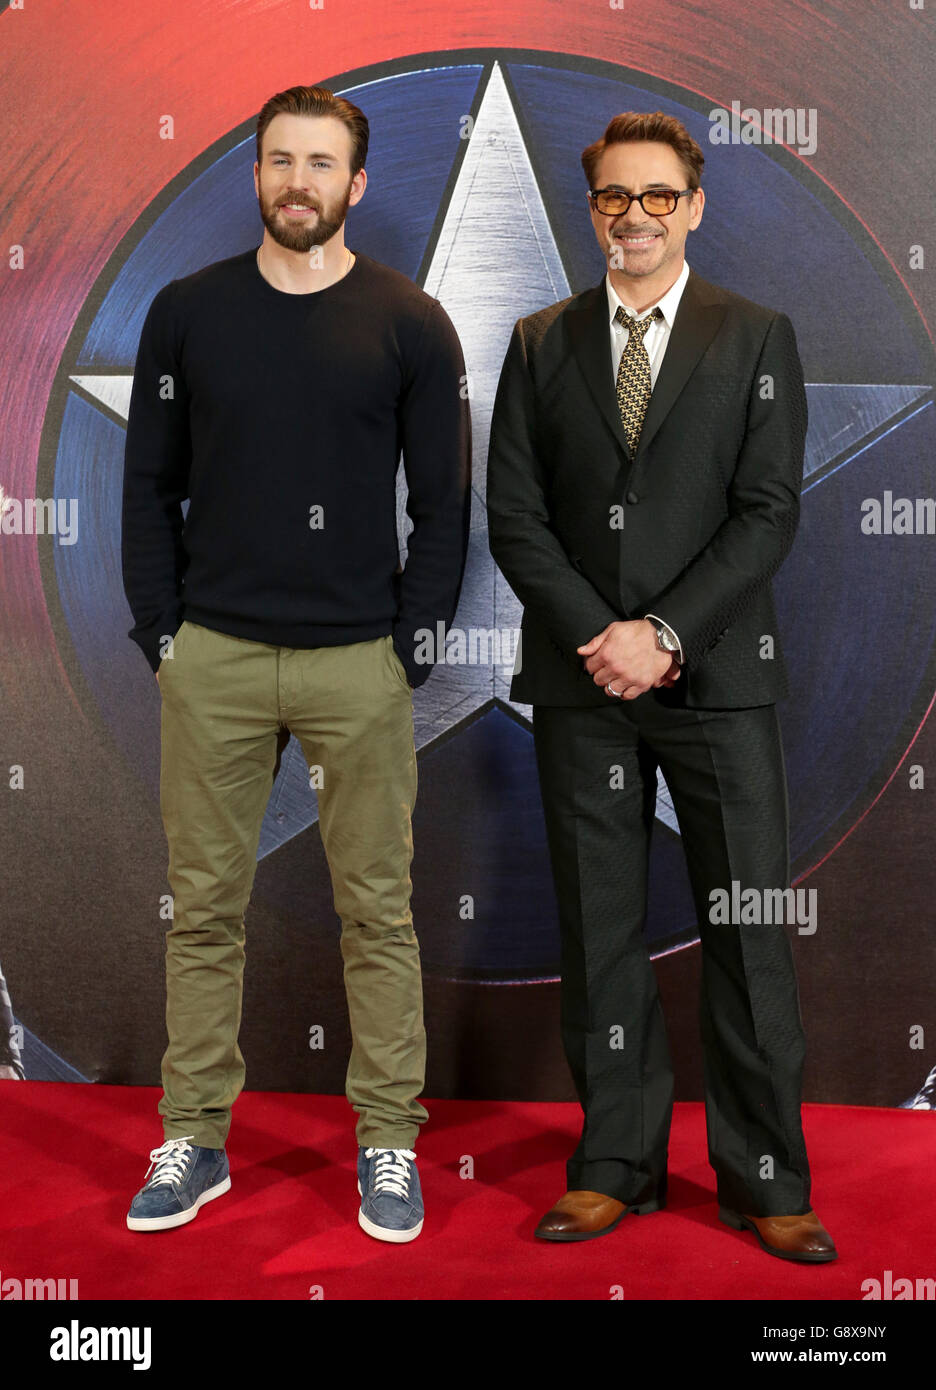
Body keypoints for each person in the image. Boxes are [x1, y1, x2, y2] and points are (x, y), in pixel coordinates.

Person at [121, 85, 471, 1242]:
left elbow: (445, 501)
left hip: (357, 663)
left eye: (322, 163)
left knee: (377, 910)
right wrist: (163, 633)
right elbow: (146, 483)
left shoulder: (411, 321)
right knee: (204, 912)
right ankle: (195, 1137)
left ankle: (386, 1145)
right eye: (281, 160)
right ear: (257, 174)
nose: (299, 181)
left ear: (356, 184)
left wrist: (411, 641)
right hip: (212, 656)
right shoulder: (186, 312)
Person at [487, 111, 836, 1262]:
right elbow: (517, 521)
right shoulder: (539, 340)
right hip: (587, 683)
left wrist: (669, 634)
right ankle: (612, 1165)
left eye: (657, 196)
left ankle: (768, 1178)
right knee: (601, 931)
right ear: (592, 210)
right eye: (611, 198)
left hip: (720, 680)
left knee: (749, 933)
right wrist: (605, 637)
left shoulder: (757, 336)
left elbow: (768, 511)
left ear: (694, 205)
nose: (633, 216)